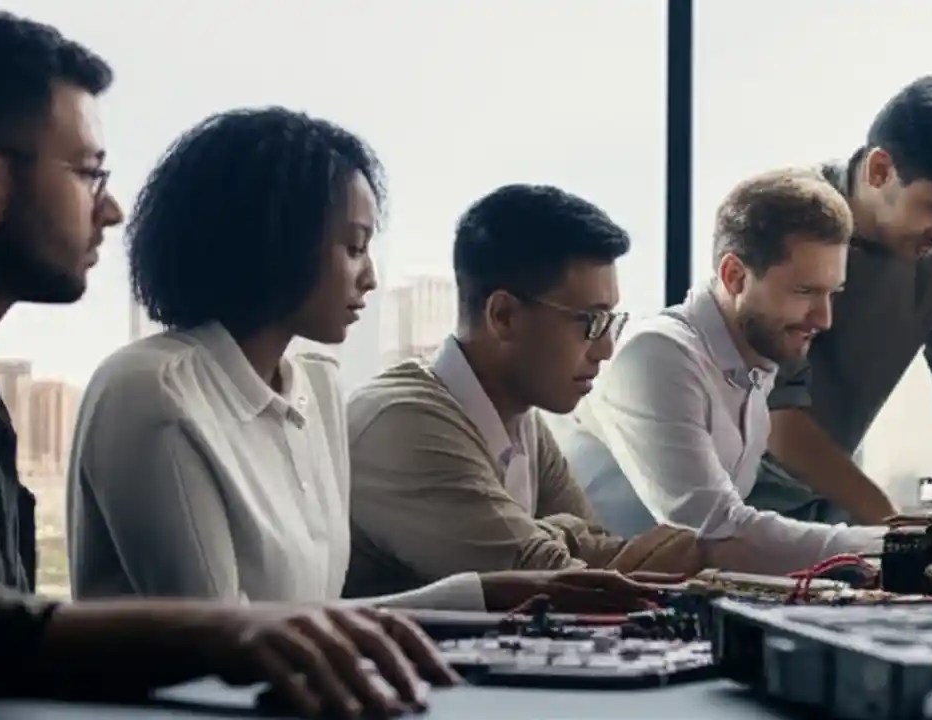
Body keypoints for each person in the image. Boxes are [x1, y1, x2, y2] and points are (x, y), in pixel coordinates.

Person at [0, 10, 452, 717]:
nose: (111, 209)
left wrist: (480, 595)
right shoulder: (152, 389)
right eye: (88, 173)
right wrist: (221, 629)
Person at [65, 101, 669, 613]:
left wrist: (485, 592)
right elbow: (224, 640)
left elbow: (319, 616)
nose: (371, 276)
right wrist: (490, 589)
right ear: (275, 239)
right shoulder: (154, 390)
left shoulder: (315, 389)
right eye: (354, 247)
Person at [345, 184, 702, 597]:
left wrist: (553, 536)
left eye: (611, 323)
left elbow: (604, 553)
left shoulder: (522, 420)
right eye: (590, 322)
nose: (605, 350)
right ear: (504, 316)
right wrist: (562, 536)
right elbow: (560, 584)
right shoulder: (403, 423)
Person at [559, 167, 886, 571]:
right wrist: (893, 542)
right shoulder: (658, 353)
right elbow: (713, 533)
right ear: (735, 276)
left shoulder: (754, 368)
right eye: (804, 292)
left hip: (652, 608)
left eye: (831, 294)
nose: (823, 318)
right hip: (583, 611)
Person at [757, 75, 932, 525]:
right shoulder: (784, 222)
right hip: (716, 505)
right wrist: (891, 525)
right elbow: (775, 415)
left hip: (826, 511)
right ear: (880, 171)